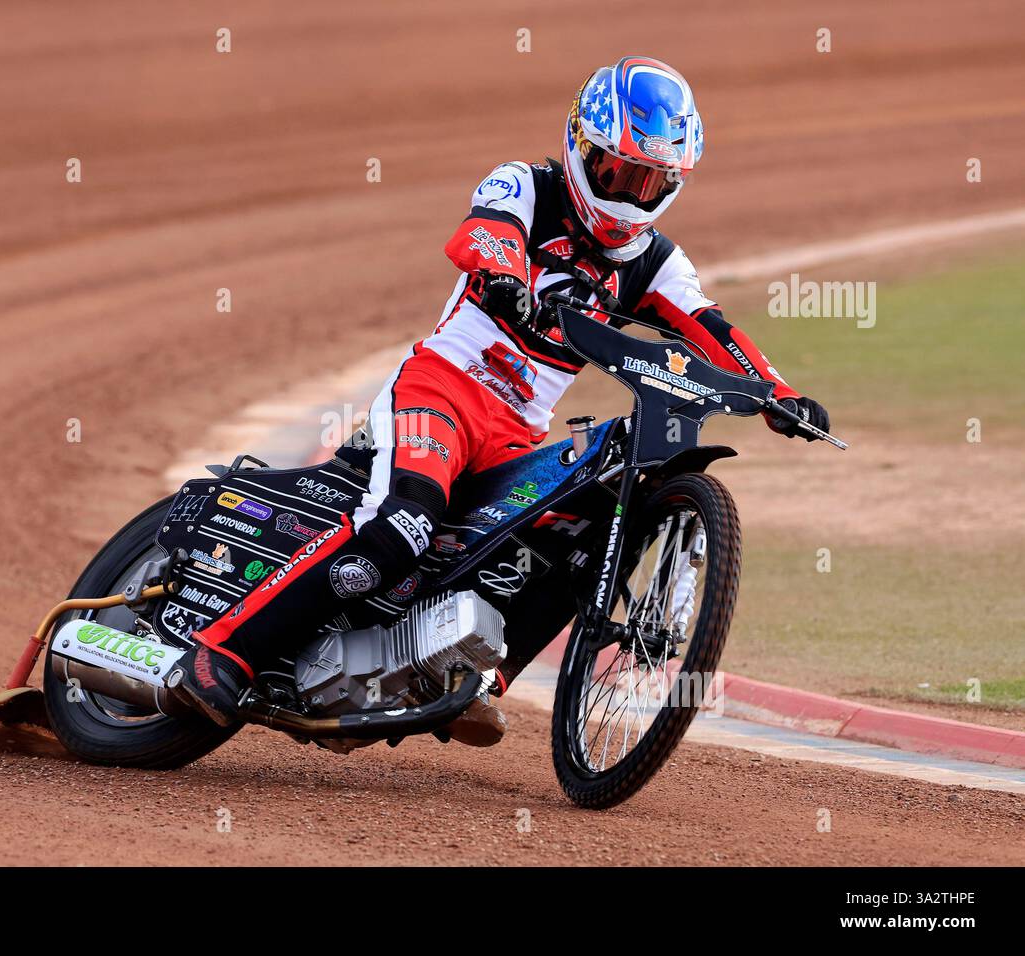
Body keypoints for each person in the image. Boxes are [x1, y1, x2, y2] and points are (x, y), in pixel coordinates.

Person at [167, 56, 830, 742]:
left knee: (578, 534)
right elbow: (482, 233)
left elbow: (713, 329)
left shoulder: (657, 262)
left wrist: (778, 394)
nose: (631, 194)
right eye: (617, 172)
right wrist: (507, 277)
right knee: (403, 526)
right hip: (441, 393)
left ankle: (476, 677)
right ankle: (224, 653)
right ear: (581, 146)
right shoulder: (525, 184)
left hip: (515, 436)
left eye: (651, 180)